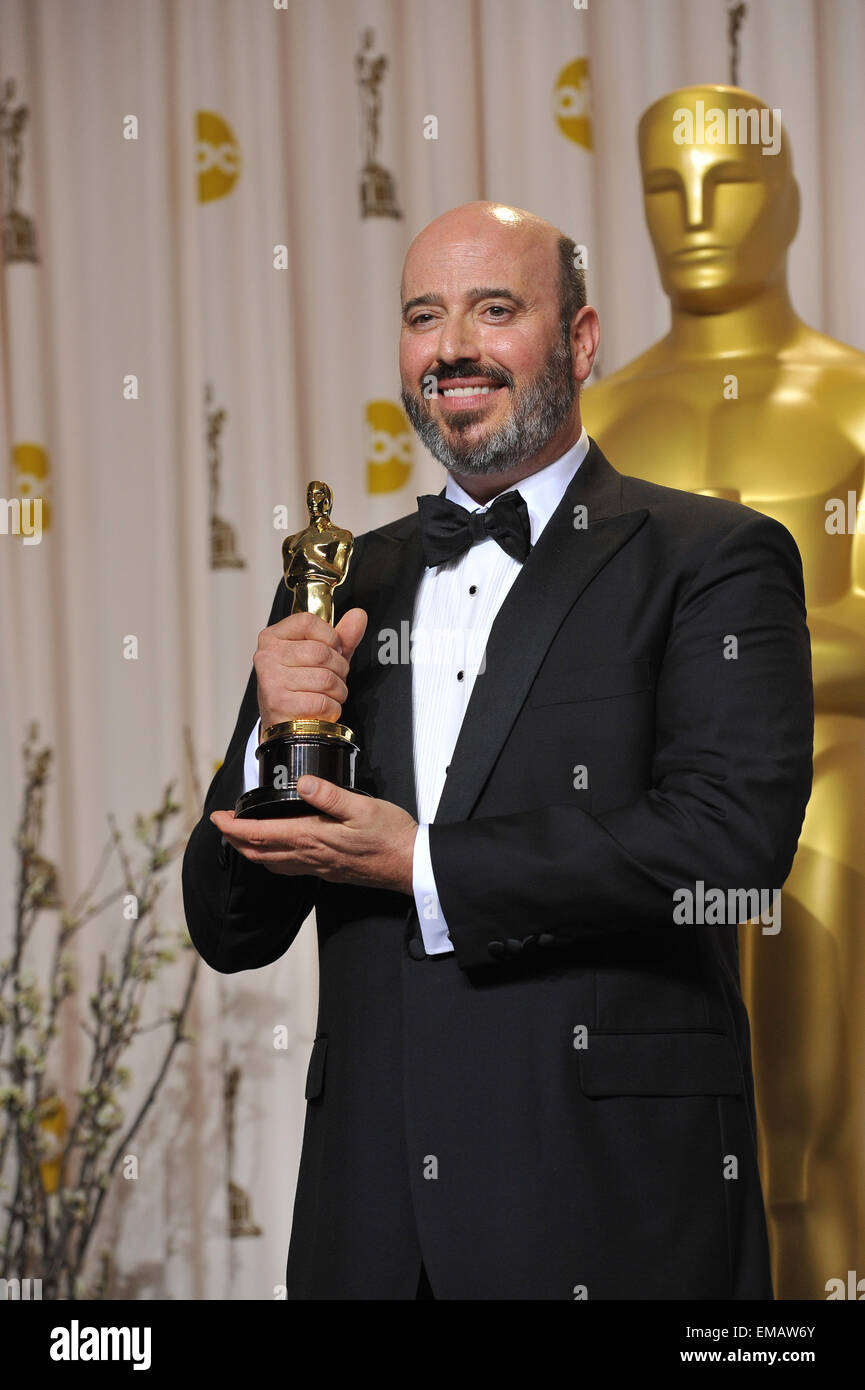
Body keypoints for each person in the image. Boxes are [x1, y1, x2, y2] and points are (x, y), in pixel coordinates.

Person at [182, 201, 814, 1301]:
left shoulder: (713, 557)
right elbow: (230, 928)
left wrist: (422, 866)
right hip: (373, 1226)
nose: (453, 346)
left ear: (579, 340)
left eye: (494, 308)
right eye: (424, 315)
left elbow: (728, 850)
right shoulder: (342, 581)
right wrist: (264, 761)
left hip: (614, 1215)